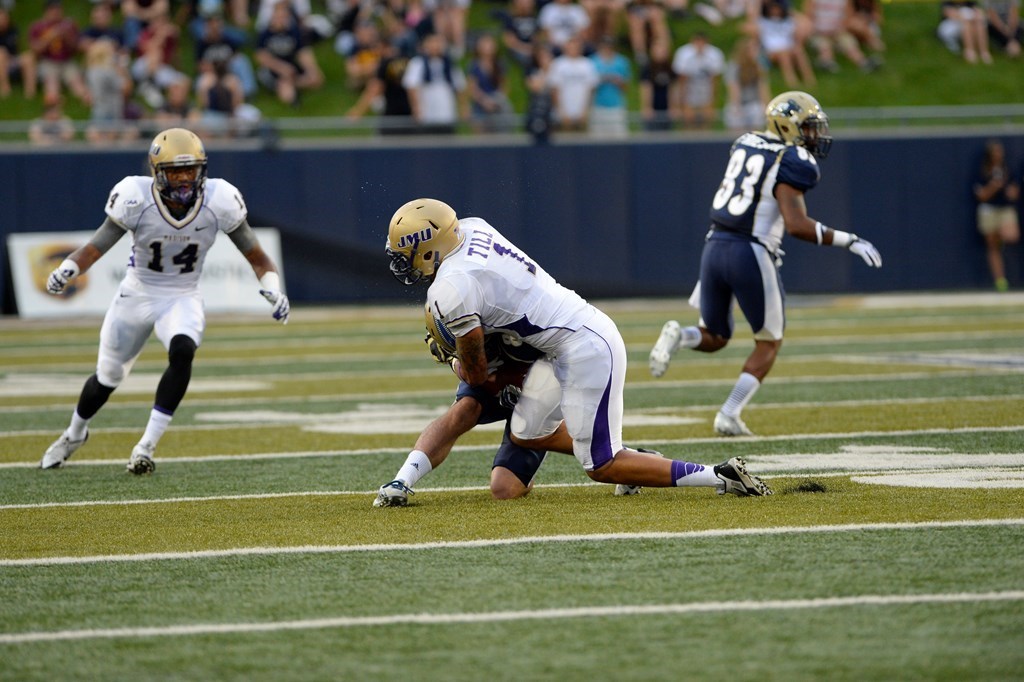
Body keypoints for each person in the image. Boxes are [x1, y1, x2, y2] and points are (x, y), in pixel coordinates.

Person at [384, 198, 773, 498]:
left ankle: (718, 476)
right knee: (515, 459)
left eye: (407, 253)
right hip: (560, 343)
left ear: (431, 248)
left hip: (581, 348)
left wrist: (454, 356)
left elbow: (473, 370)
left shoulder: (451, 289)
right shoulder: (470, 228)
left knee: (602, 465)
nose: (404, 263)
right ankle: (640, 459)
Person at [39, 128, 290, 474]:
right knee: (107, 377)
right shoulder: (135, 197)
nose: (185, 178)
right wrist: (68, 268)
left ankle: (146, 446)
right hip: (137, 292)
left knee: (183, 349)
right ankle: (74, 433)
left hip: (181, 294)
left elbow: (258, 257)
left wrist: (274, 287)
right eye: (175, 171)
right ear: (157, 172)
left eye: (190, 170)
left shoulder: (220, 199)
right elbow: (97, 245)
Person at [649, 91, 882, 436]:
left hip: (714, 245)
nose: (814, 135)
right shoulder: (792, 159)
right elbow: (797, 225)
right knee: (769, 341)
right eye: (808, 127)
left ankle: (678, 336)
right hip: (751, 252)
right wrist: (848, 239)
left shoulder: (747, 142)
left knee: (716, 335)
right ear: (787, 126)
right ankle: (728, 414)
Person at [374, 305, 551, 506]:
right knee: (466, 408)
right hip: (502, 370)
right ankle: (401, 480)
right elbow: (468, 369)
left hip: (543, 385)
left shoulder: (519, 314)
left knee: (506, 487)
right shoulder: (450, 311)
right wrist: (458, 362)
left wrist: (525, 388)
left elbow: (560, 361)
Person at [973, 138, 1020, 291]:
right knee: (992, 247)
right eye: (996, 151)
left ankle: (1000, 238)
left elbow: (1014, 192)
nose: (999, 154)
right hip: (989, 210)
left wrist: (1011, 192)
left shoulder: (1007, 169)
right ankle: (1000, 281)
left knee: (1011, 235)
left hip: (1004, 209)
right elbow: (981, 195)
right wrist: (994, 186)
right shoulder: (982, 171)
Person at [401, 32, 468, 134]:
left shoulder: (449, 63)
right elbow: (411, 86)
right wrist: (416, 108)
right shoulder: (418, 62)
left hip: (446, 111)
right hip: (427, 111)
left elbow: (460, 86)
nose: (435, 45)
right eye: (432, 42)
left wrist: (463, 106)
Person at [672, 31, 725, 129]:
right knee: (688, 119)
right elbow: (681, 81)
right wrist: (682, 103)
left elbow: (715, 81)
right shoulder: (683, 54)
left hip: (706, 90)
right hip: (689, 91)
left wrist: (712, 102)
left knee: (707, 119)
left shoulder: (715, 54)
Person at [722, 35, 770, 131]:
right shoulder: (734, 66)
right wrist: (736, 107)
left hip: (754, 104)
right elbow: (734, 89)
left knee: (757, 117)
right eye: (753, 49)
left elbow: (763, 89)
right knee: (736, 125)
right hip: (738, 103)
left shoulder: (759, 66)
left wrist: (767, 107)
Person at [0, 7, 38, 99]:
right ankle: (5, 88)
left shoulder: (13, 30)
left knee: (29, 57)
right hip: (1, 60)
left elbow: (16, 48)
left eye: (5, 18)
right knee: (1, 53)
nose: (3, 21)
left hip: (12, 59)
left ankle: (30, 92)